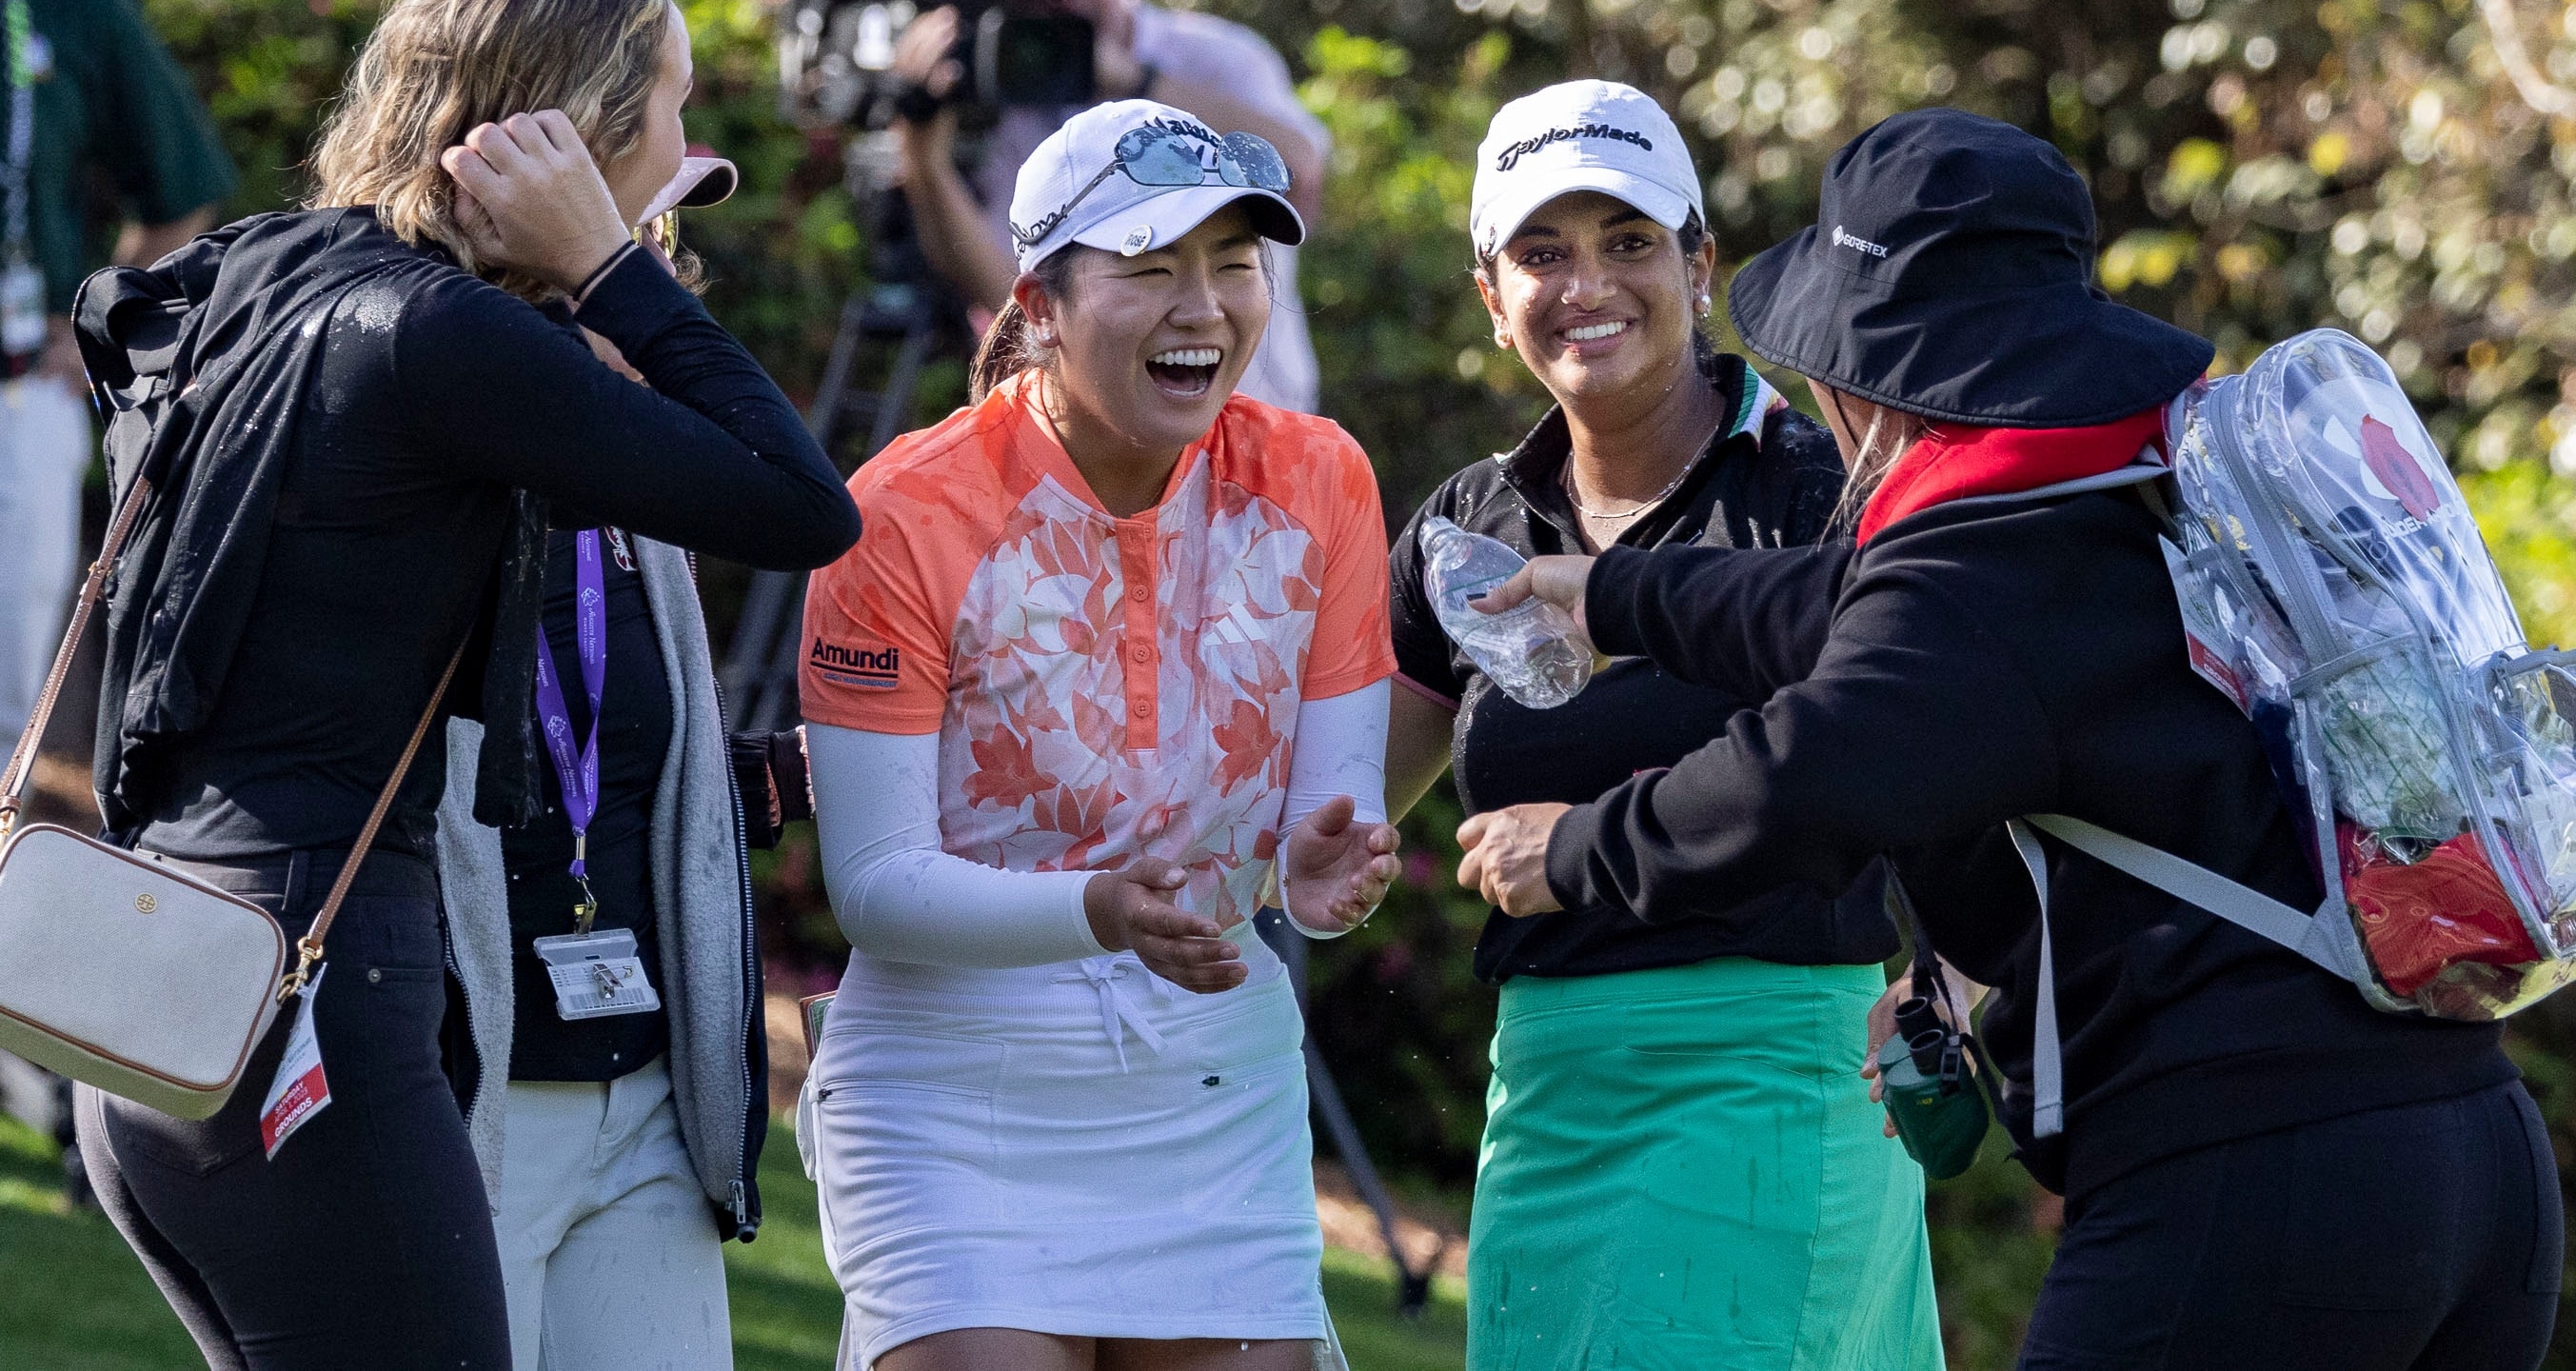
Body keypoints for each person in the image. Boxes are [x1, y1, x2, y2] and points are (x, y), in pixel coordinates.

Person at [1456, 108, 2560, 1370]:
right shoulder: (2138, 487)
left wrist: (1579, 849)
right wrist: (1601, 595)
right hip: (2476, 1161)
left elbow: (1806, 778)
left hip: (2261, 1187)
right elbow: (1838, 605)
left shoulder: (1991, 570)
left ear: (1865, 373)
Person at [68, 0, 859, 1368]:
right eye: (670, 110)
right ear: (573, 131)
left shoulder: (274, 277)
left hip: (162, 980)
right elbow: (798, 505)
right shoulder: (447, 339)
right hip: (313, 994)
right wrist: (614, 271)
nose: (683, 152)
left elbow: (111, 320)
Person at [797, 97, 1398, 1371]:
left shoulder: (1321, 479)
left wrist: (1326, 872)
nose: (1205, 307)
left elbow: (1319, 845)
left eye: (1236, 264)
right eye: (1150, 268)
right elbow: (875, 885)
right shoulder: (903, 512)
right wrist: (1101, 912)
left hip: (1208, 1077)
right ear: (1043, 300)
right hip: (956, 1089)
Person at [1385, 80, 1942, 1371]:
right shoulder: (1468, 523)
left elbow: (1953, 746)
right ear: (1491, 293)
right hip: (1550, 1096)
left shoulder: (1828, 494)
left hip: (1780, 1078)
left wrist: (1961, 970)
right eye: (1543, 250)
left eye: (1628, 241)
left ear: (1699, 264)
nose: (1588, 284)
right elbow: (1348, 801)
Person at [430, 154, 803, 1371]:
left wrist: (767, 783)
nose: (668, 297)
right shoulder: (409, 468)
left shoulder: (635, 510)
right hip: (462, 1104)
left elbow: (618, 765)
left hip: (643, 1108)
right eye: (633, 260)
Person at [889, 0, 1332, 412]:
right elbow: (1015, 295)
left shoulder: (1216, 60)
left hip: (1256, 433)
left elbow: (1302, 179)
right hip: (1099, 455)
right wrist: (925, 163)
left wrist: (1135, 81)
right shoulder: (1006, 98)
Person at [0, 0, 235, 751]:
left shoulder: (64, 3)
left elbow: (181, 189)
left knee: (10, 702)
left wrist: (89, 335)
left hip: (21, 394)